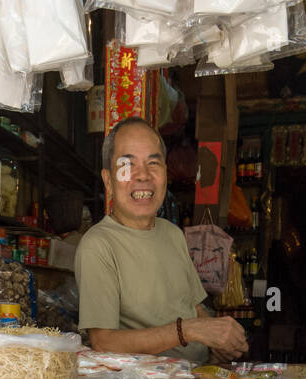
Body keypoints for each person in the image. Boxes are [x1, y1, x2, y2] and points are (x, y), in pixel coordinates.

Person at [75, 117, 249, 364]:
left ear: (165, 174)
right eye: (127, 164)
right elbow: (103, 343)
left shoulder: (172, 234)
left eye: (153, 163)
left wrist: (220, 340)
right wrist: (187, 331)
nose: (143, 176)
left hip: (197, 378)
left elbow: (195, 308)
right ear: (108, 181)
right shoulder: (98, 245)